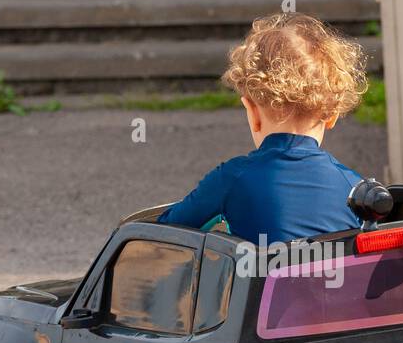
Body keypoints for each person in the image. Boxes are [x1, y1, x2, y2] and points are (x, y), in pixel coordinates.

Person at [157, 13, 370, 245]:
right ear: (331, 116)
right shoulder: (354, 188)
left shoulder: (230, 179)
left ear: (252, 112)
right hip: (333, 281)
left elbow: (164, 233)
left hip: (260, 281)